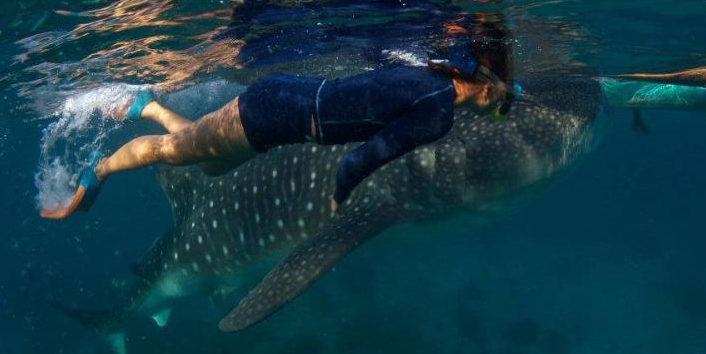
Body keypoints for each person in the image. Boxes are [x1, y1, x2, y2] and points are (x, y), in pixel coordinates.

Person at [40, 55, 519, 220]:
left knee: (212, 161)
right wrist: (339, 195)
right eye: (505, 102)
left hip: (285, 97)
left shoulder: (429, 71)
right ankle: (95, 172)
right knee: (177, 155)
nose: (501, 110)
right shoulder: (438, 113)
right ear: (490, 87)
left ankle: (151, 106)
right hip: (273, 118)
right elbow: (366, 157)